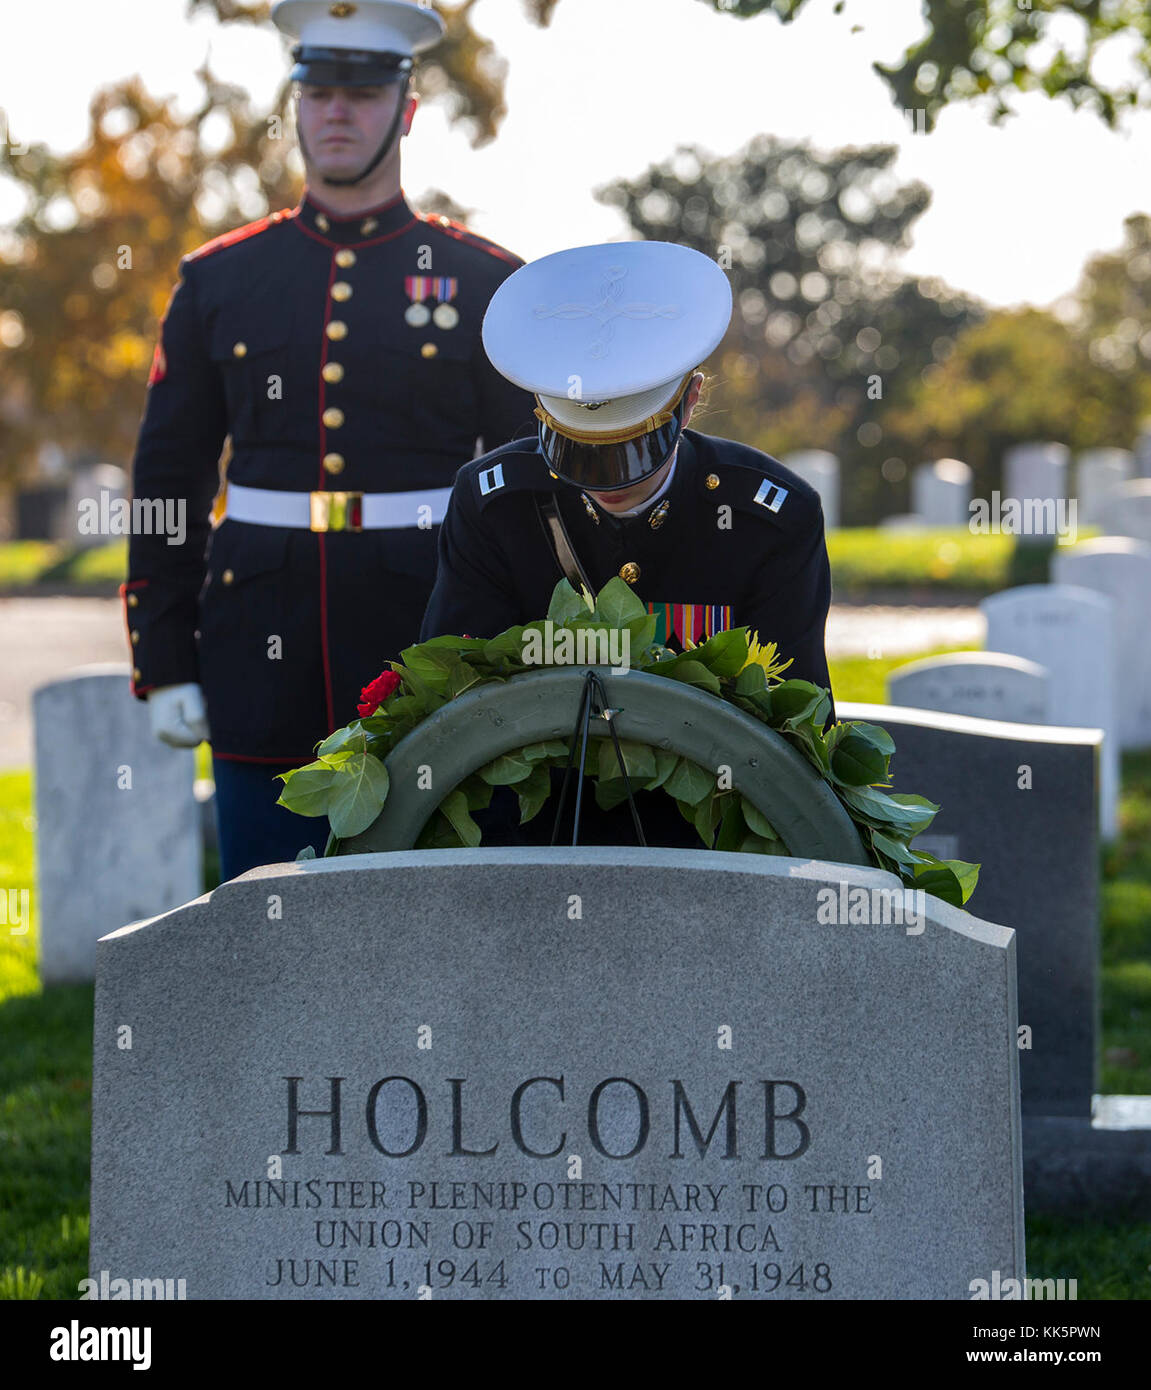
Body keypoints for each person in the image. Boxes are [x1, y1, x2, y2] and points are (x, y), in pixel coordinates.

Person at [123, 0, 534, 880]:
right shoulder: (219, 279)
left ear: (407, 113)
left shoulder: (484, 281)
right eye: (318, 93)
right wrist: (163, 655)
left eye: (362, 91)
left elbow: (527, 488)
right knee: (264, 915)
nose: (337, 112)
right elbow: (170, 474)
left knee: (436, 908)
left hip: (432, 646)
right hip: (253, 646)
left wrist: (527, 648)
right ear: (295, 107)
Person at [419, 240, 834, 846]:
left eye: (629, 449)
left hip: (708, 845)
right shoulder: (495, 505)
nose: (608, 481)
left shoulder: (769, 518)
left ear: (690, 401)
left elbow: (799, 726)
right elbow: (450, 696)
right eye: (581, 449)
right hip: (529, 840)